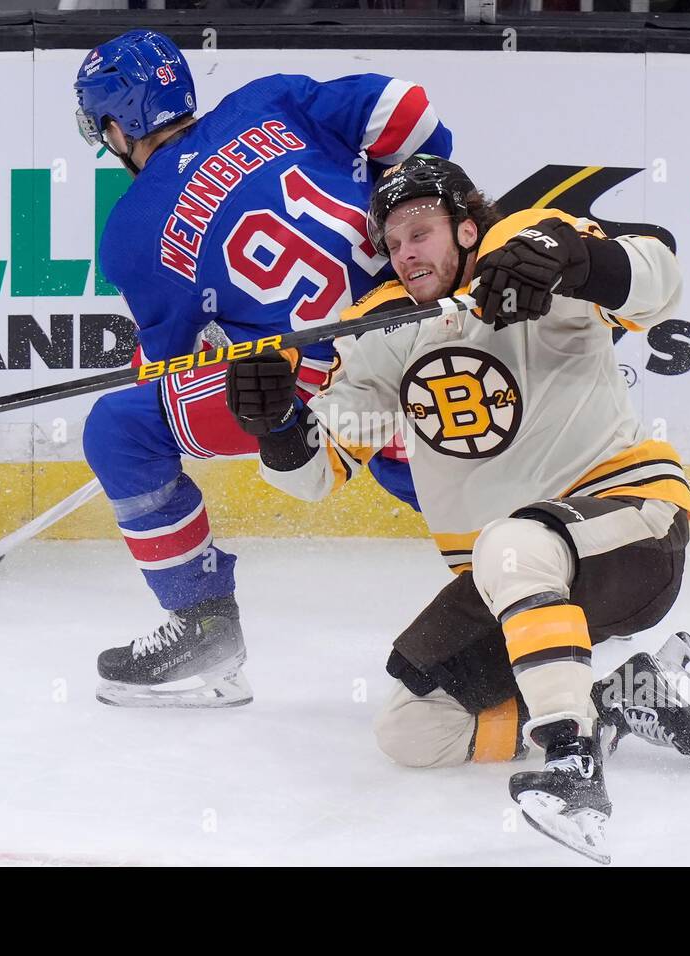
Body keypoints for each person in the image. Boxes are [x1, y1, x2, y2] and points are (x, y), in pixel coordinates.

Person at [224, 155, 690, 862]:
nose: (406, 252)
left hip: (631, 528)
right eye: (394, 242)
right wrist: (277, 424)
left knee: (511, 541)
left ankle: (571, 765)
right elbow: (320, 468)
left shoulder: (529, 242)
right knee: (412, 729)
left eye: (421, 231)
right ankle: (623, 700)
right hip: (512, 586)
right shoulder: (382, 330)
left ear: (468, 228)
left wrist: (576, 261)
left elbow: (659, 281)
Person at [73, 31, 452, 707]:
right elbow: (412, 113)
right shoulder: (269, 99)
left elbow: (175, 361)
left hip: (317, 395)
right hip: (424, 338)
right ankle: (567, 572)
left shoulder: (132, 229)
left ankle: (204, 629)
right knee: (439, 467)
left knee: (122, 430)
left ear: (113, 125)